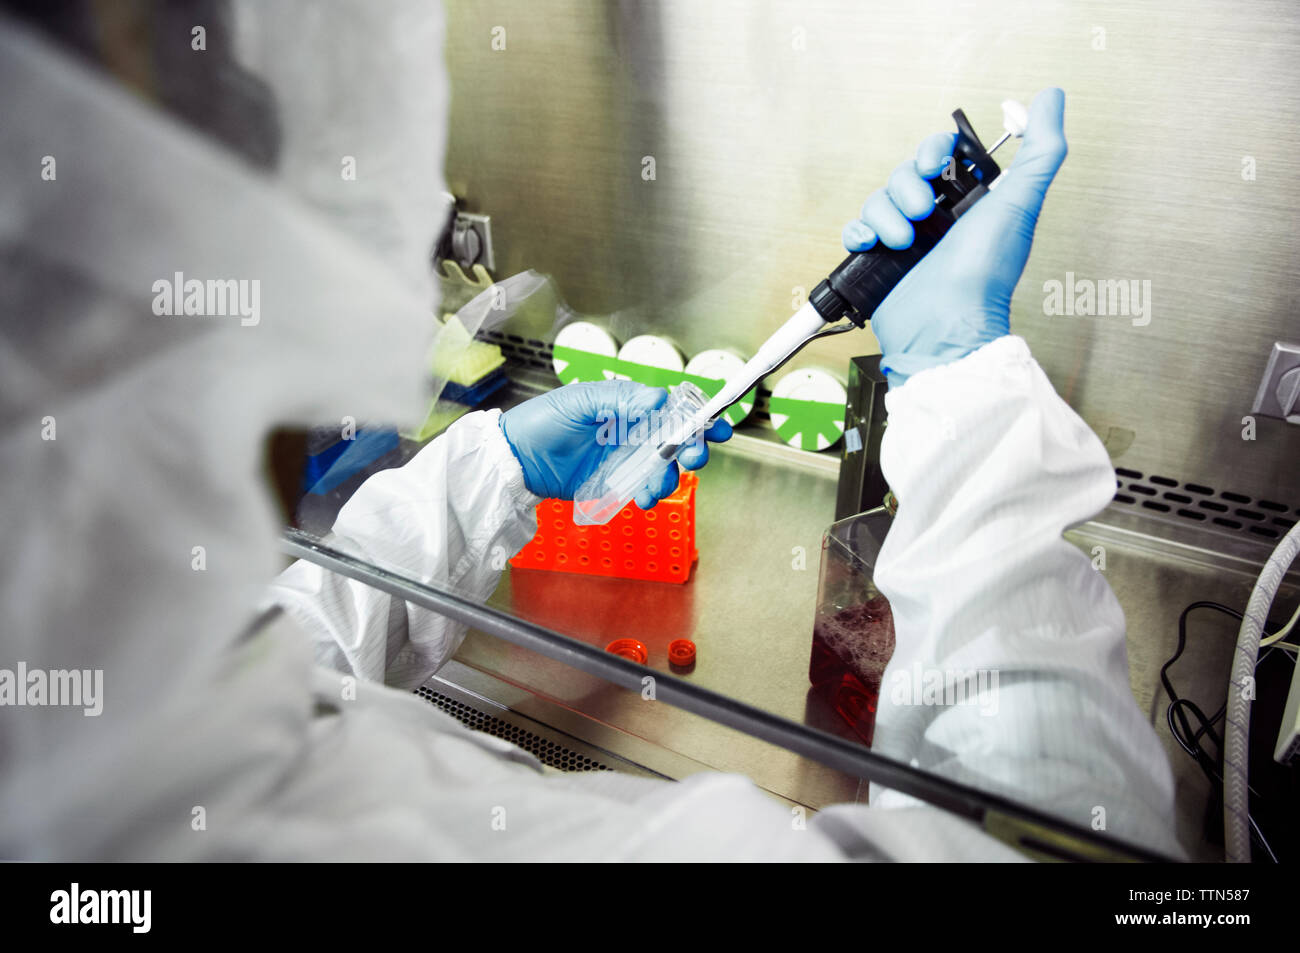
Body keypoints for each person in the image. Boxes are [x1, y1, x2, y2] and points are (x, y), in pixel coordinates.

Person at [0, 2, 1182, 861]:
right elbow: (1060, 847)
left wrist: (491, 468)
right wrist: (960, 385)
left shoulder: (91, 721)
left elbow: (300, 651)